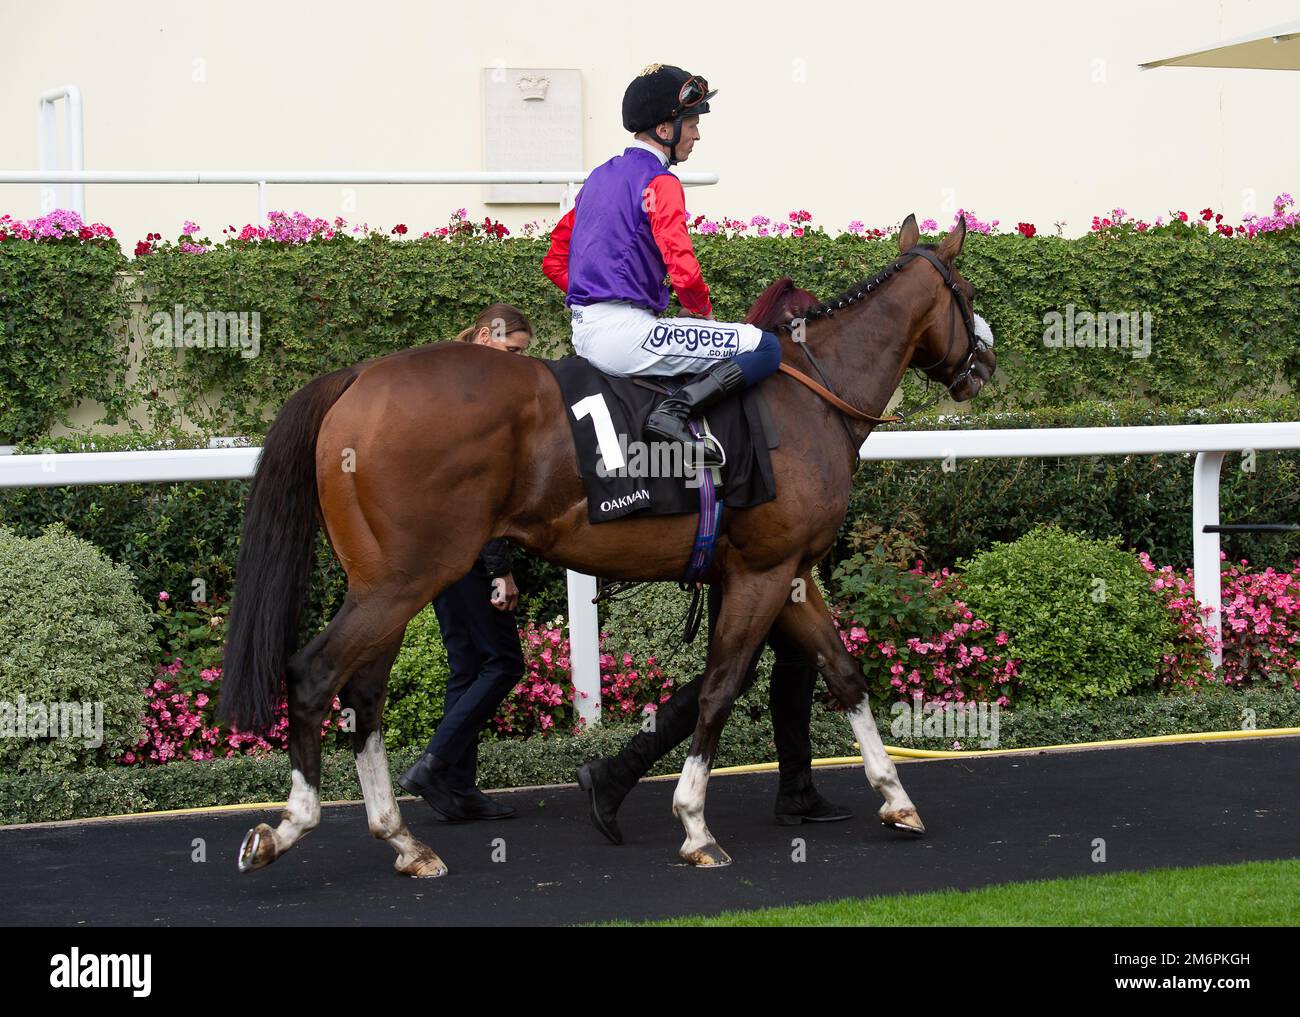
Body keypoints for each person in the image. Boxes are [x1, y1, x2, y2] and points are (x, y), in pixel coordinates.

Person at [542, 63, 783, 466]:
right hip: (627, 335)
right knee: (766, 348)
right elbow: (682, 264)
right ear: (665, 129)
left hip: (587, 333)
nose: (697, 134)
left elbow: (554, 261)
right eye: (691, 122)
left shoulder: (598, 179)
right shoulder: (661, 182)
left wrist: (596, 293)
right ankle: (674, 413)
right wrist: (701, 312)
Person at [578, 583, 850, 843]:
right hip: (751, 573)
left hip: (776, 570)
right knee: (727, 679)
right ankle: (616, 774)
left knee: (798, 656)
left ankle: (797, 789)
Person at [398, 303, 533, 821]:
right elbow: (479, 496)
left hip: (437, 549)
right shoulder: (471, 396)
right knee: (503, 662)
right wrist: (498, 568)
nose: (517, 364)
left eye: (523, 356)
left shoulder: (443, 383)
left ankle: (456, 789)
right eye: (511, 352)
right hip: (469, 552)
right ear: (483, 335)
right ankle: (433, 765)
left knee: (467, 664)